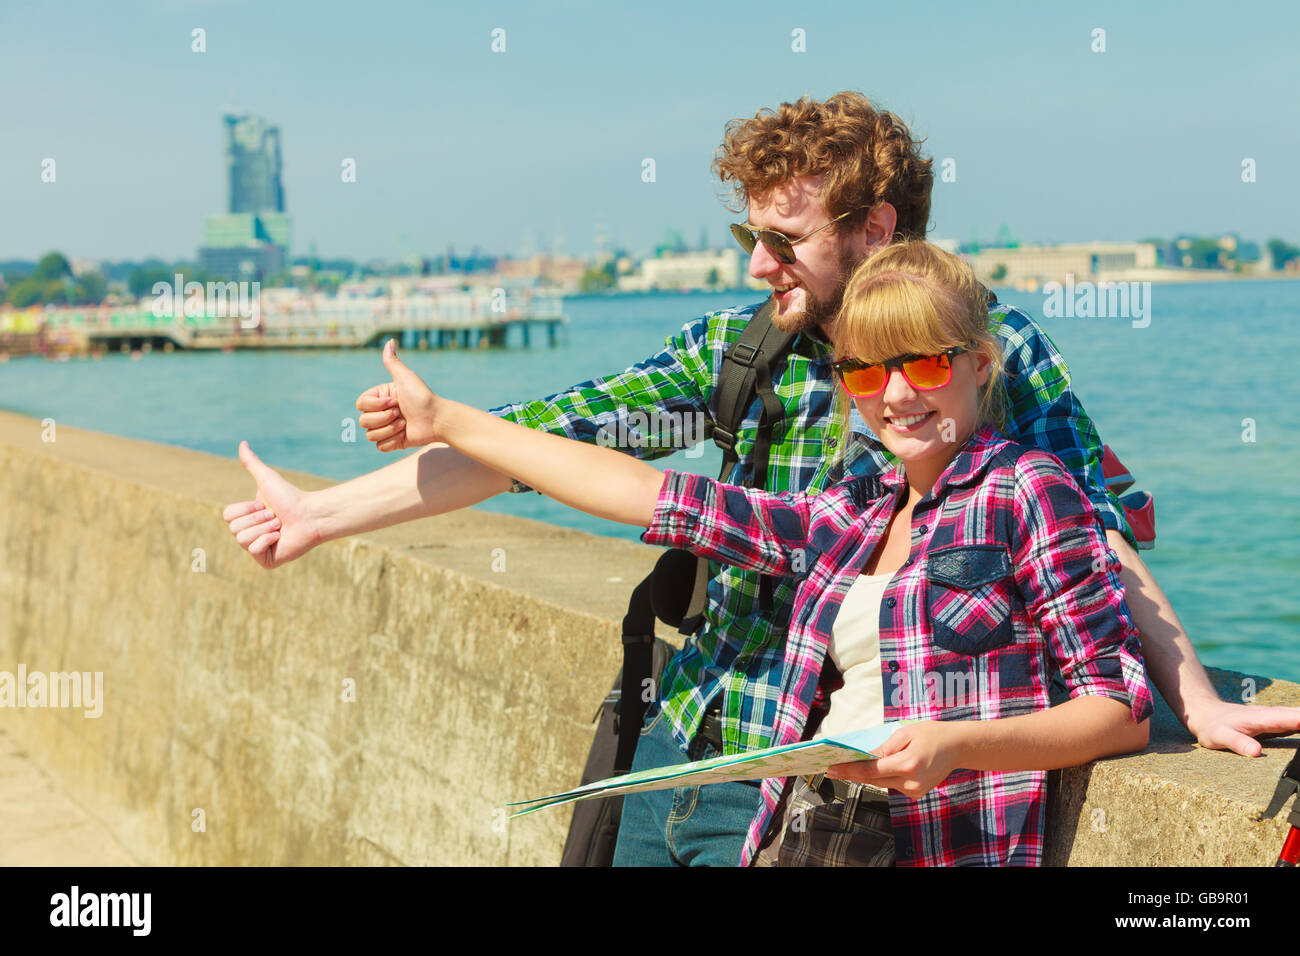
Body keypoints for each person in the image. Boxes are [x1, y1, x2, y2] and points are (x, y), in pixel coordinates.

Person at [223, 92, 1300, 866]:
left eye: (782, 239)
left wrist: (1186, 689)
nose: (756, 263)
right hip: (689, 732)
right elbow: (546, 447)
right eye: (749, 234)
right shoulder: (738, 353)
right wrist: (319, 513)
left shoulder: (985, 349)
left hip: (824, 778)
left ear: (872, 230)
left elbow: (1084, 525)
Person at [333, 240, 1155, 866]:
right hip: (808, 833)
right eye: (867, 376)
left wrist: (951, 744)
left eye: (927, 363)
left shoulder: (1030, 492)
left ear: (978, 364)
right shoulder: (851, 510)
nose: (898, 395)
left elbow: (1118, 712)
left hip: (937, 842)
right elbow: (660, 500)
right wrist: (450, 422)